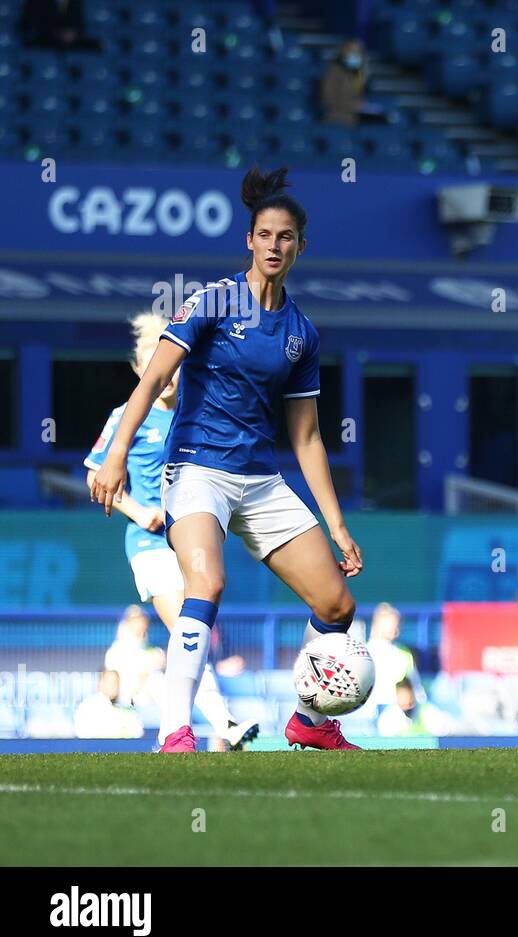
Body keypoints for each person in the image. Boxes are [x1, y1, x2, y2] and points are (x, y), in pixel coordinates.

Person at [91, 165, 365, 752]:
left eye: (285, 237)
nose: (274, 245)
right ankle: (174, 733)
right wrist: (116, 456)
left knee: (337, 603)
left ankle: (308, 723)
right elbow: (153, 379)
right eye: (264, 234)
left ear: (300, 245)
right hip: (195, 470)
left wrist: (338, 527)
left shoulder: (302, 333)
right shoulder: (212, 300)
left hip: (260, 480)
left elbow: (308, 437)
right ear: (249, 239)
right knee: (206, 583)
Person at [86, 314, 259, 752]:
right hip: (148, 544)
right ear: (138, 371)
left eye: (170, 364)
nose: (162, 375)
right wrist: (136, 510)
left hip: (189, 542)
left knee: (191, 636)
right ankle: (226, 723)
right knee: (188, 627)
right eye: (150, 366)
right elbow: (95, 475)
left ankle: (171, 732)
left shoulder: (195, 413)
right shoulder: (127, 416)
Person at [319, 39, 377, 127]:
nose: (354, 55)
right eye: (351, 51)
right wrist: (353, 105)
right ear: (343, 53)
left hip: (354, 121)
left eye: (357, 52)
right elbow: (327, 98)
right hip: (335, 120)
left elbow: (360, 96)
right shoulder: (333, 72)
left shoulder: (359, 73)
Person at [73, 670, 144, 740]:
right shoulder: (89, 706)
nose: (115, 686)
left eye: (117, 682)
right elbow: (83, 732)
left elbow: (137, 731)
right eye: (111, 682)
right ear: (100, 683)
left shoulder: (123, 709)